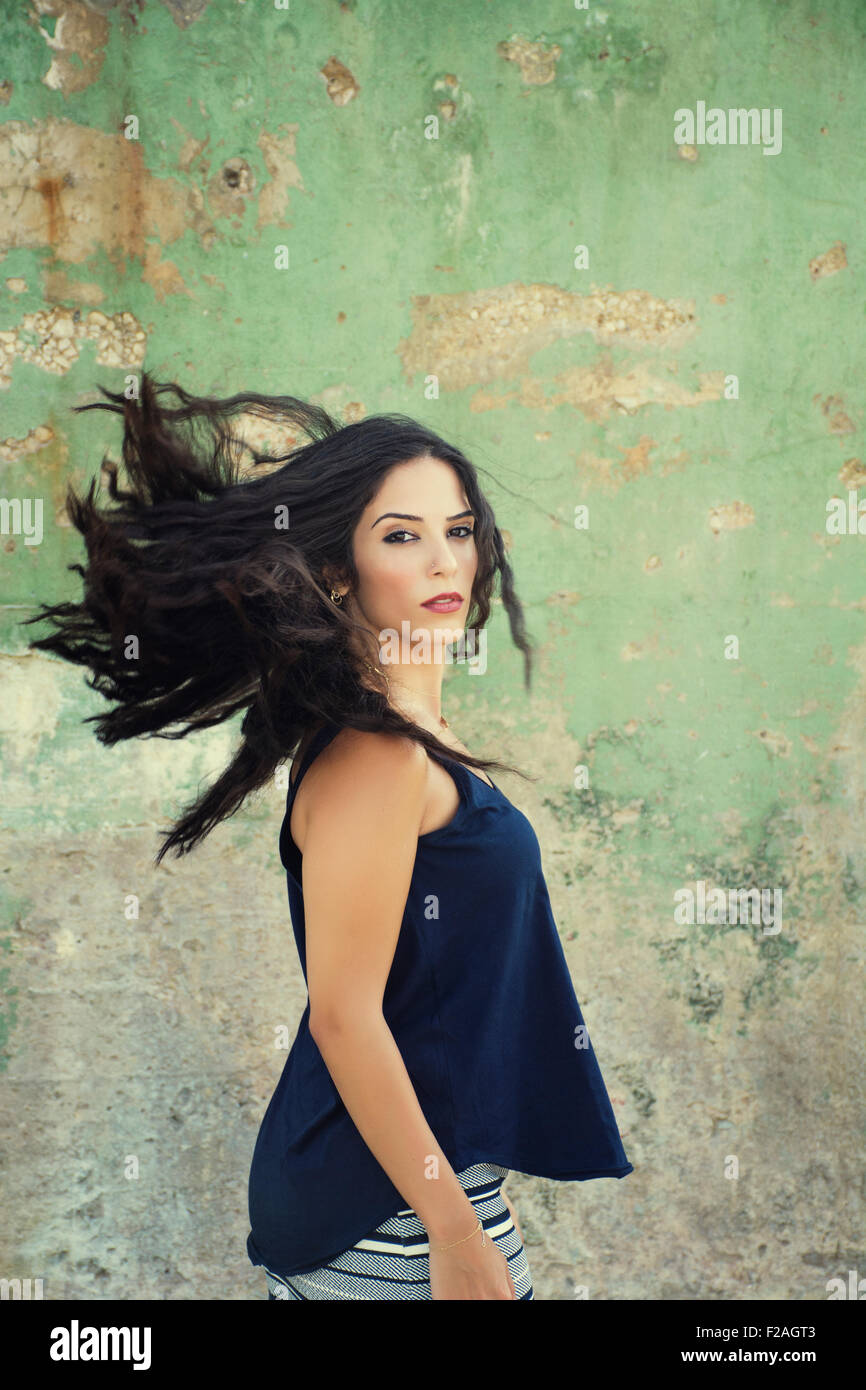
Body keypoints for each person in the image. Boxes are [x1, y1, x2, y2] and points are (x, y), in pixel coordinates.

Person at [27, 373, 633, 1300]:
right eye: (403, 536)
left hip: (428, 1186)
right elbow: (344, 1016)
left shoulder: (416, 749)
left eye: (458, 530)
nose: (444, 561)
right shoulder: (375, 762)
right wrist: (454, 1233)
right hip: (382, 1212)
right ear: (341, 570)